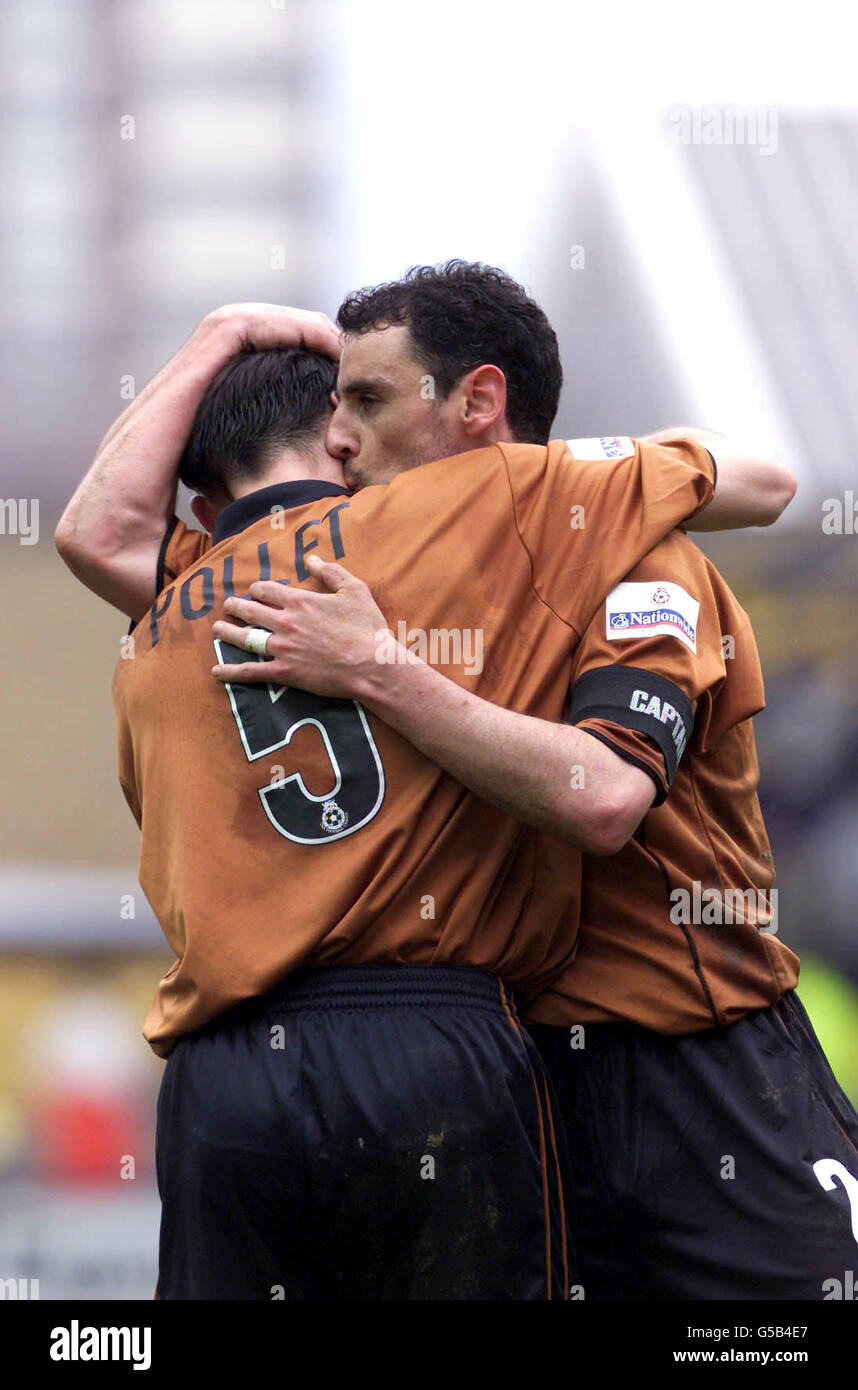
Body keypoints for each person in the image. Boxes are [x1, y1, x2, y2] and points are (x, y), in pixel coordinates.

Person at [55, 264, 792, 1300]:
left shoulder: (176, 605)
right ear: (325, 427)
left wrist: (217, 331)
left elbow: (93, 532)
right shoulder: (477, 516)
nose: (356, 436)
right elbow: (760, 482)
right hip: (445, 1037)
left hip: (221, 1077)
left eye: (372, 398)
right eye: (346, 405)